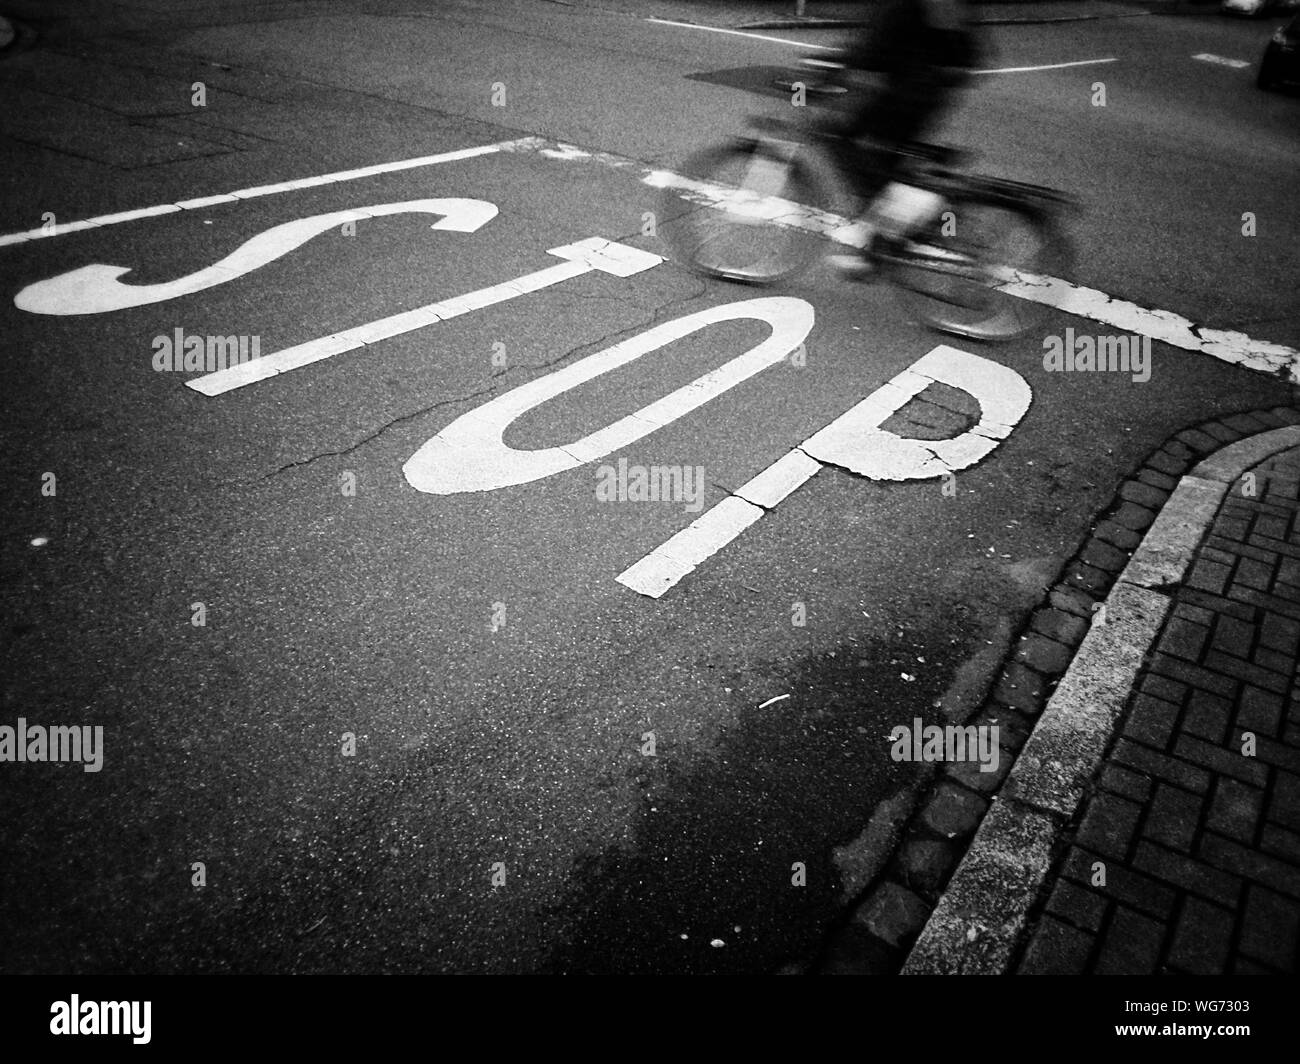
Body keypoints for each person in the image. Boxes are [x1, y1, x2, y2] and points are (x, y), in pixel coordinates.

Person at [820, 0, 982, 276]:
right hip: (924, 83)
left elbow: (876, 46)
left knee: (846, 139)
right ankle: (883, 242)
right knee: (881, 157)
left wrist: (830, 68)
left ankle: (916, 218)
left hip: (913, 89)